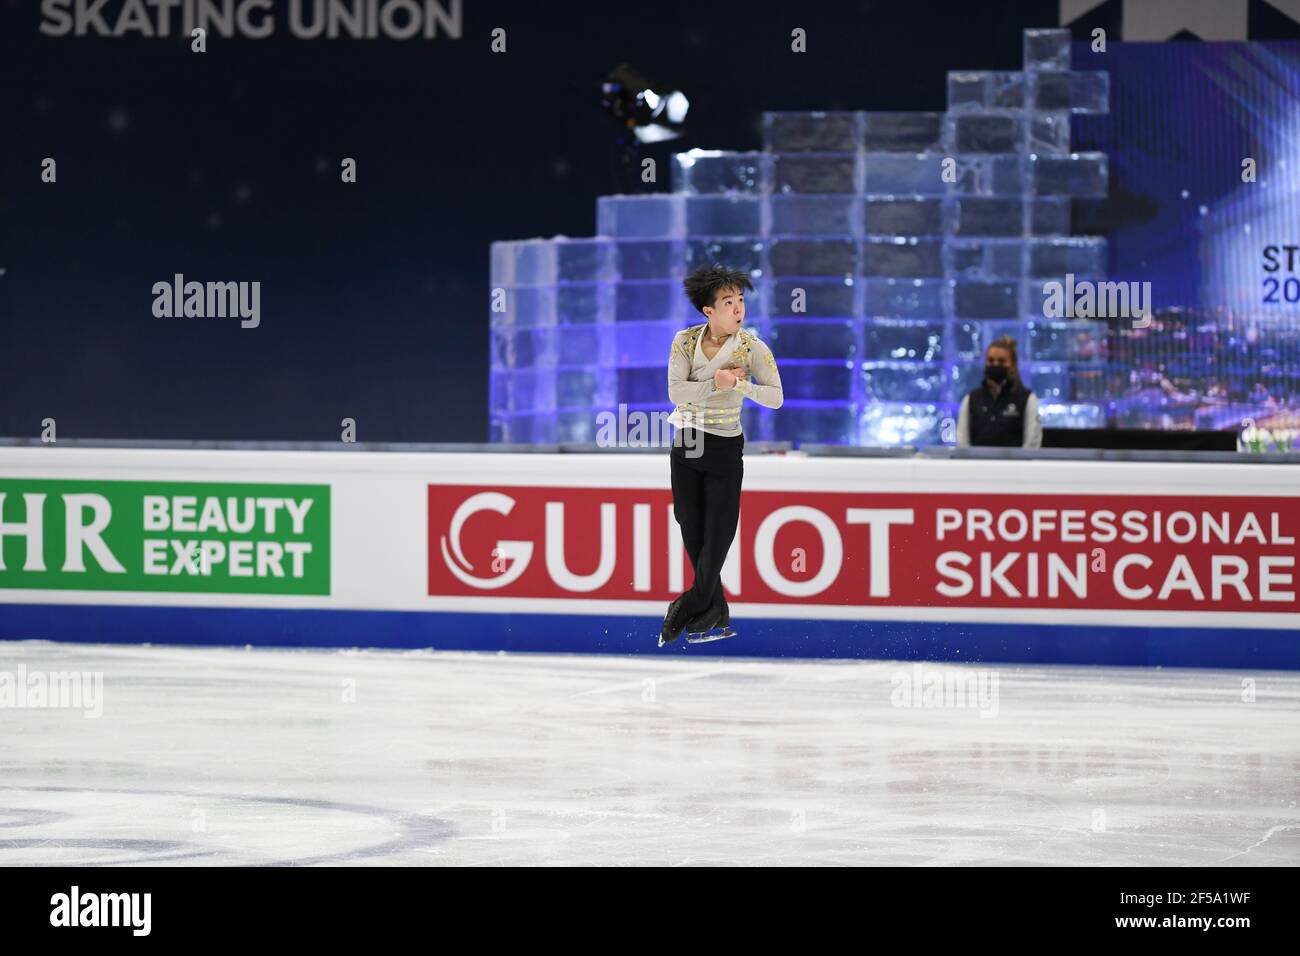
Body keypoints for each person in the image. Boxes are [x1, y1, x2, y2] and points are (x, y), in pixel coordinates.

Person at [660, 264, 783, 646]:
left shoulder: (752, 348)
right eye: (728, 302)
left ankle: (689, 604)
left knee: (718, 534)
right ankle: (716, 610)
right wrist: (715, 383)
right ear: (708, 311)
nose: (738, 309)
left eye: (741, 300)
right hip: (686, 444)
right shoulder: (684, 341)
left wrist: (741, 385)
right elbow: (676, 394)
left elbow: (776, 397)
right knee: (690, 527)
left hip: (724, 447)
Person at [956, 336, 1042, 448]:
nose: (995, 365)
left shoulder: (1027, 399)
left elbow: (1032, 443)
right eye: (991, 360)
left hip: (1015, 464)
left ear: (1012, 365)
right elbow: (962, 442)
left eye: (1001, 361)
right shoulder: (972, 398)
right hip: (977, 463)